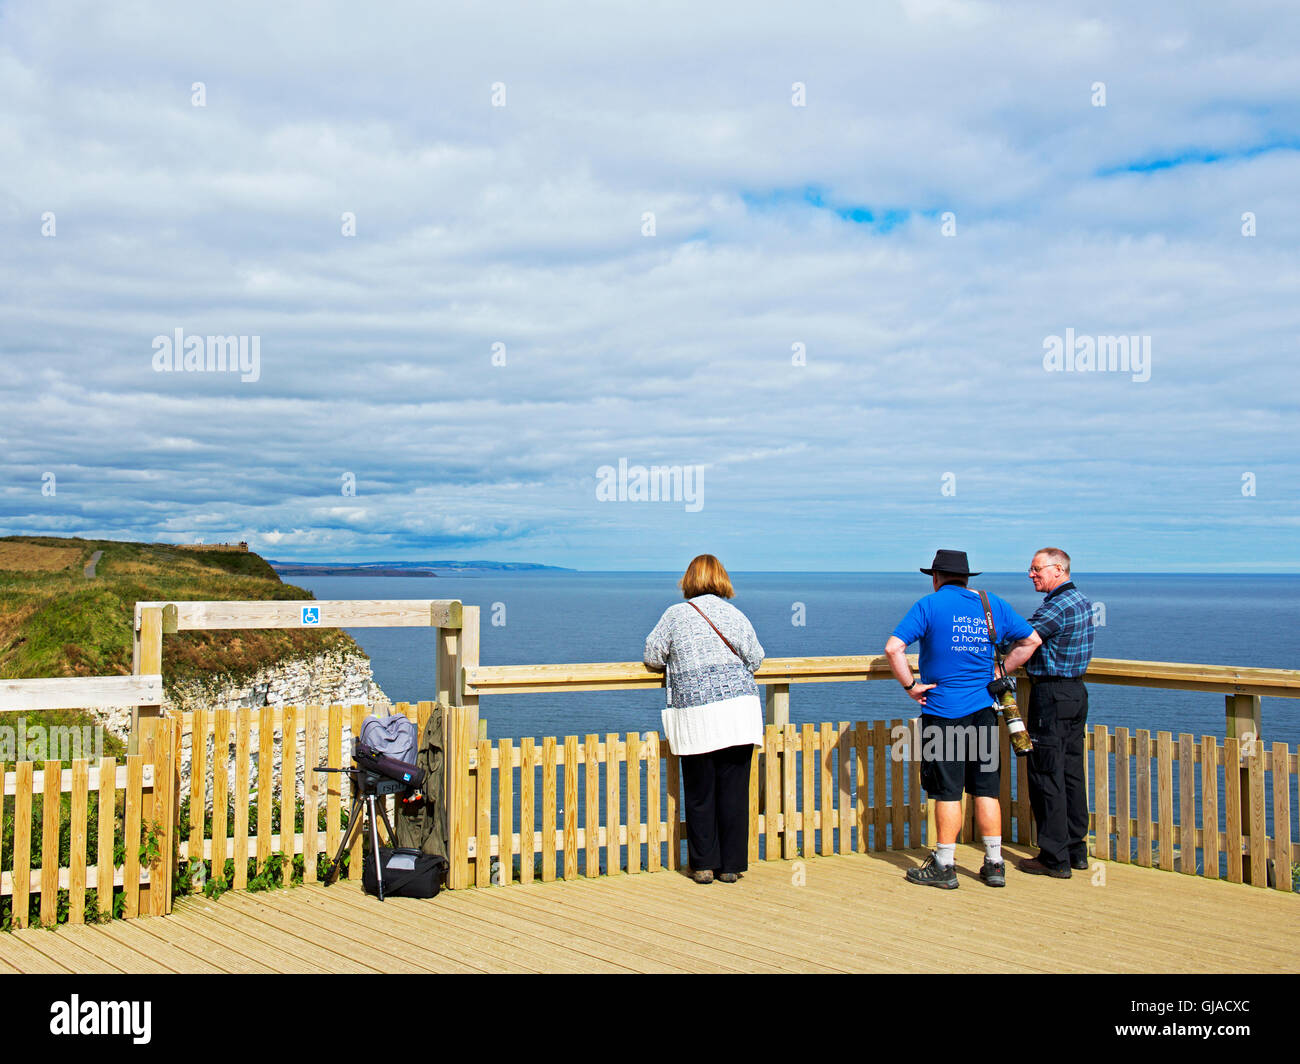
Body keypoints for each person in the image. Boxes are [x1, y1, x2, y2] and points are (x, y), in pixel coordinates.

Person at [884, 549, 1041, 889]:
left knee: (948, 792)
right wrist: (1000, 669)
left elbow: (893, 648)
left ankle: (944, 864)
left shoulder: (928, 605)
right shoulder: (991, 604)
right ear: (968, 578)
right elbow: (1031, 640)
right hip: (984, 710)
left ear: (935, 578)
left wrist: (911, 686)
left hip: (942, 712)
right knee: (986, 790)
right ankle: (995, 863)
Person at [644, 554, 764, 884]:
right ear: (722, 579)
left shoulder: (675, 615)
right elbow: (756, 658)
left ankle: (704, 865)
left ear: (689, 580)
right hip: (738, 713)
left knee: (700, 792)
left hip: (697, 715)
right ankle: (732, 865)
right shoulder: (735, 615)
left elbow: (652, 655)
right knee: (734, 791)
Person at [1017, 548, 1096, 878]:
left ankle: (1053, 857)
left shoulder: (1057, 605)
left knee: (1046, 772)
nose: (1032, 575)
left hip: (1050, 694)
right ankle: (1076, 849)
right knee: (1071, 772)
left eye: (1037, 569)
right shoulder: (1081, 601)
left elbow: (1026, 639)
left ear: (1058, 569)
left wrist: (1001, 668)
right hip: (1076, 692)